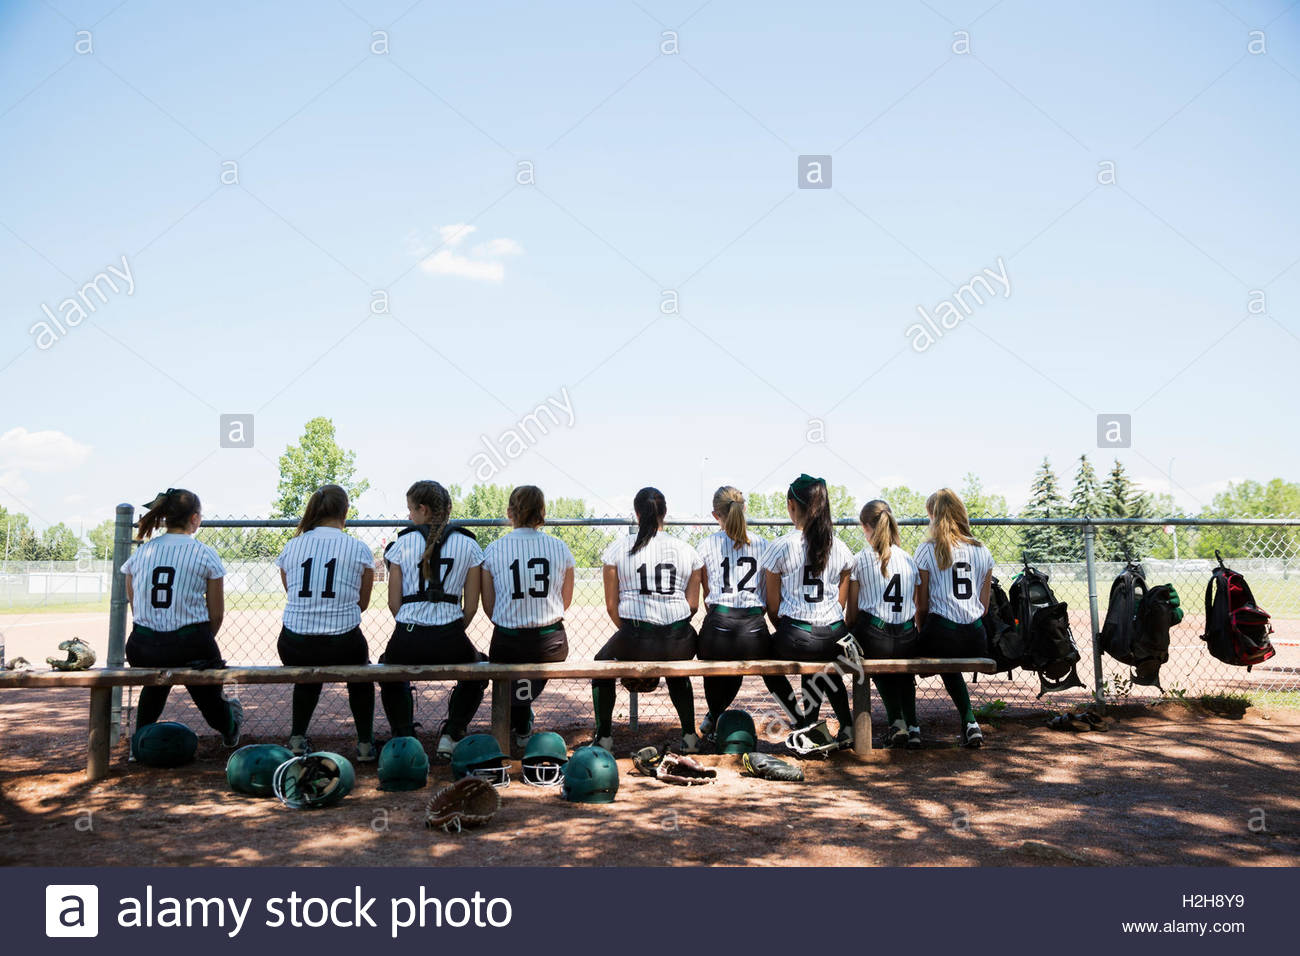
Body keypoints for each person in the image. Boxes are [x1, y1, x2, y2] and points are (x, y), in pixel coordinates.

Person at [120, 488, 243, 747]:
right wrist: (198, 643)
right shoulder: (204, 553)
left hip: (142, 646)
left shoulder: (141, 553)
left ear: (165, 517)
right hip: (190, 644)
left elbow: (136, 605)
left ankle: (139, 741)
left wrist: (159, 635)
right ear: (195, 519)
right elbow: (216, 614)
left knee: (155, 682)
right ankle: (229, 727)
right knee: (207, 693)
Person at [591, 487, 703, 753]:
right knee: (677, 668)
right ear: (665, 513)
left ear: (637, 514)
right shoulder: (687, 550)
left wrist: (636, 633)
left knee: (600, 666)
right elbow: (693, 605)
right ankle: (689, 736)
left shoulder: (618, 548)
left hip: (635, 637)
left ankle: (604, 737)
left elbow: (611, 606)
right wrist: (668, 629)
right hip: (678, 638)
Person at [380, 480, 486, 759]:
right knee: (480, 669)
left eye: (410, 510)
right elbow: (472, 606)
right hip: (451, 636)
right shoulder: (469, 543)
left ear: (423, 509)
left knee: (387, 668)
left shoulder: (402, 542)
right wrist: (447, 627)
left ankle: (405, 736)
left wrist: (413, 624)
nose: (409, 517)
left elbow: (394, 604)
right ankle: (451, 734)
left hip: (407, 635)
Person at [274, 484, 377, 760]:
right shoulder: (358, 548)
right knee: (361, 677)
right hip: (342, 644)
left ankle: (297, 738)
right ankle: (366, 744)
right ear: (345, 512)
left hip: (294, 644)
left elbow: (291, 592)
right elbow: (363, 604)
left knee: (308, 673)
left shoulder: (292, 546)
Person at [759, 474, 856, 748]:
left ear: (792, 505)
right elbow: (840, 602)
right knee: (825, 659)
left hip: (798, 635)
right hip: (836, 634)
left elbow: (773, 607)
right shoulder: (841, 546)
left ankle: (802, 721)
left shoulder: (781, 545)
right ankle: (846, 725)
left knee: (766, 657)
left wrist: (792, 631)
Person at [695, 486, 799, 735]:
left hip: (718, 626)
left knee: (717, 657)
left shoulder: (706, 544)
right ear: (744, 510)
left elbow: (708, 596)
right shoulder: (763, 544)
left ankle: (715, 718)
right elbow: (766, 593)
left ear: (715, 514)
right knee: (766, 663)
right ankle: (799, 718)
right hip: (753, 628)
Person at [480, 485, 576, 748]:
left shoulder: (493, 549)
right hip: (550, 642)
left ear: (510, 512)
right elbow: (564, 601)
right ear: (542, 512)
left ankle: (520, 721)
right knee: (524, 677)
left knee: (513, 670)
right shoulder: (559, 547)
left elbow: (489, 606)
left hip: (507, 642)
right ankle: (522, 722)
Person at [914, 488, 994, 748]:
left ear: (935, 517)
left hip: (942, 633)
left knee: (903, 650)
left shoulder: (928, 549)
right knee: (947, 656)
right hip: (976, 636)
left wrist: (921, 631)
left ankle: (908, 725)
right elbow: (983, 607)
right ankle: (969, 722)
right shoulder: (983, 550)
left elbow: (922, 606)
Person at [846, 499, 921, 749]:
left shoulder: (861, 559)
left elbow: (853, 612)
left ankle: (897, 722)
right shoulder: (908, 559)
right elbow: (914, 603)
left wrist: (851, 631)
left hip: (875, 636)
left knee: (869, 654)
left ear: (868, 527)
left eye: (863, 529)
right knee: (903, 673)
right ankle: (913, 727)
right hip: (908, 637)